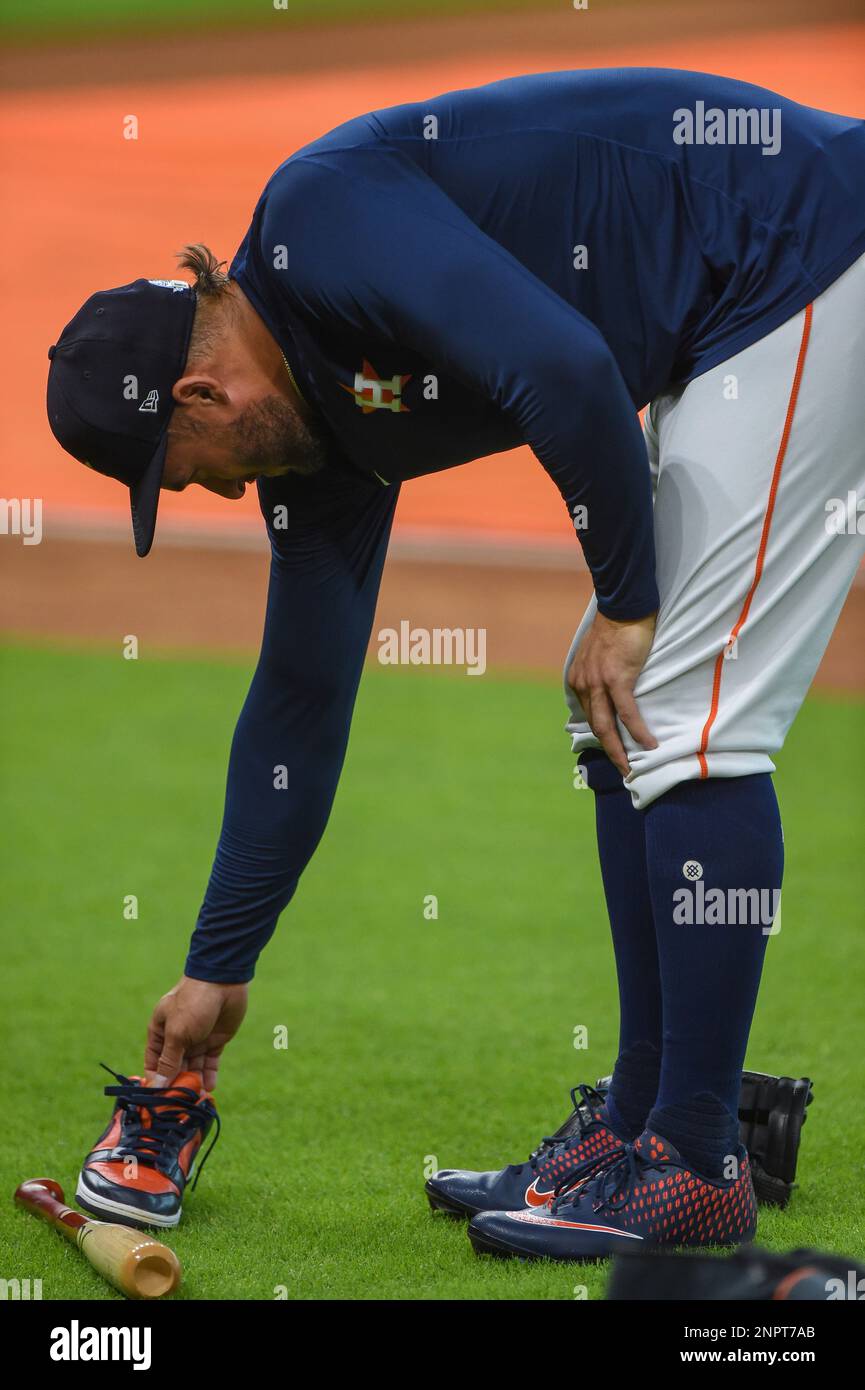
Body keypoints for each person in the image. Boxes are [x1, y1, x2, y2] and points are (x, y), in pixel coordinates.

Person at [47, 69, 865, 1252]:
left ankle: (694, 1160)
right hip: (723, 305)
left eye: (182, 469)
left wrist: (627, 600)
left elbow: (568, 373)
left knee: (684, 706)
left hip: (801, 243)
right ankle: (636, 1127)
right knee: (613, 710)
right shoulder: (313, 448)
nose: (214, 492)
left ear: (198, 390)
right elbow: (300, 698)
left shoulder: (322, 220)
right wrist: (219, 962)